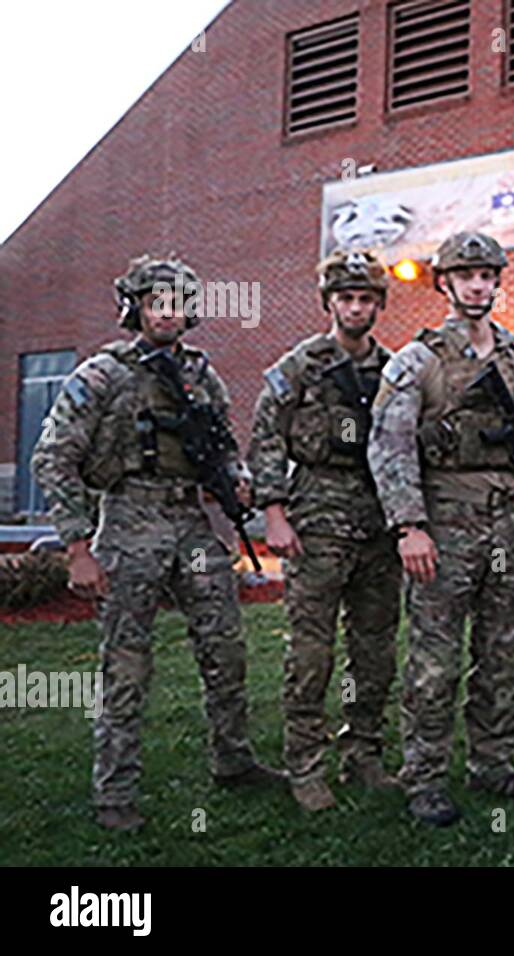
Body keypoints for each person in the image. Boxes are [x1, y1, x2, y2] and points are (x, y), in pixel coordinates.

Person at [31, 254, 283, 831]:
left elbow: (221, 444)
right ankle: (115, 794)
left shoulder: (200, 374)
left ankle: (233, 761)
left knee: (225, 649)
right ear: (136, 308)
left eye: (176, 304)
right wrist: (77, 547)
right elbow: (53, 457)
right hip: (128, 522)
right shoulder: (103, 374)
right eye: (155, 303)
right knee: (126, 665)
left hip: (191, 524)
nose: (166, 314)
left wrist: (235, 480)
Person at [367, 232, 514, 826]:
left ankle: (493, 762)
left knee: (503, 652)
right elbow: (389, 447)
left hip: (506, 526)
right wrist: (409, 526)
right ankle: (423, 775)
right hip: (443, 527)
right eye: (466, 275)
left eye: (487, 274)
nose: (479, 284)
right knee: (434, 659)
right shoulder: (417, 361)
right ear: (445, 284)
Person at [247, 249, 401, 812]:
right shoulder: (301, 365)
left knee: (375, 647)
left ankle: (363, 752)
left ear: (378, 305)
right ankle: (305, 765)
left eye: (366, 298)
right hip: (316, 517)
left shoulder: (393, 370)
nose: (356, 307)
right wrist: (274, 513)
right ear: (329, 303)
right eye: (346, 298)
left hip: (379, 520)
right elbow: (265, 437)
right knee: (312, 651)